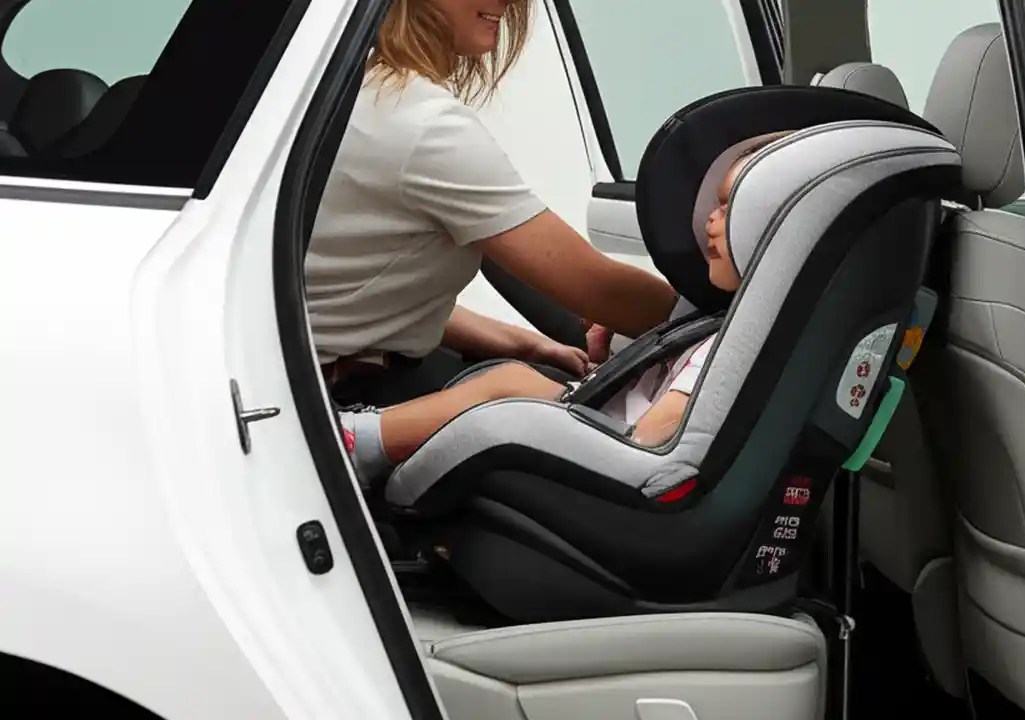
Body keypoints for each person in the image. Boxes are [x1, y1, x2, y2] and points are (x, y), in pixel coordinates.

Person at [304, 0, 678, 408]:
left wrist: (526, 344)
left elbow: (372, 302)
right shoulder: (424, 125)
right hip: (340, 397)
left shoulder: (369, 89)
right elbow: (599, 289)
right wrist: (711, 319)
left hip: (326, 371)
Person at [340, 144, 767, 482]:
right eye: (715, 205)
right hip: (602, 422)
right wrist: (611, 365)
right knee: (510, 374)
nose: (710, 220)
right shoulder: (717, 324)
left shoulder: (727, 346)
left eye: (729, 209)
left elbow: (651, 437)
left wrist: (580, 416)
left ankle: (359, 442)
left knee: (510, 383)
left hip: (607, 447)